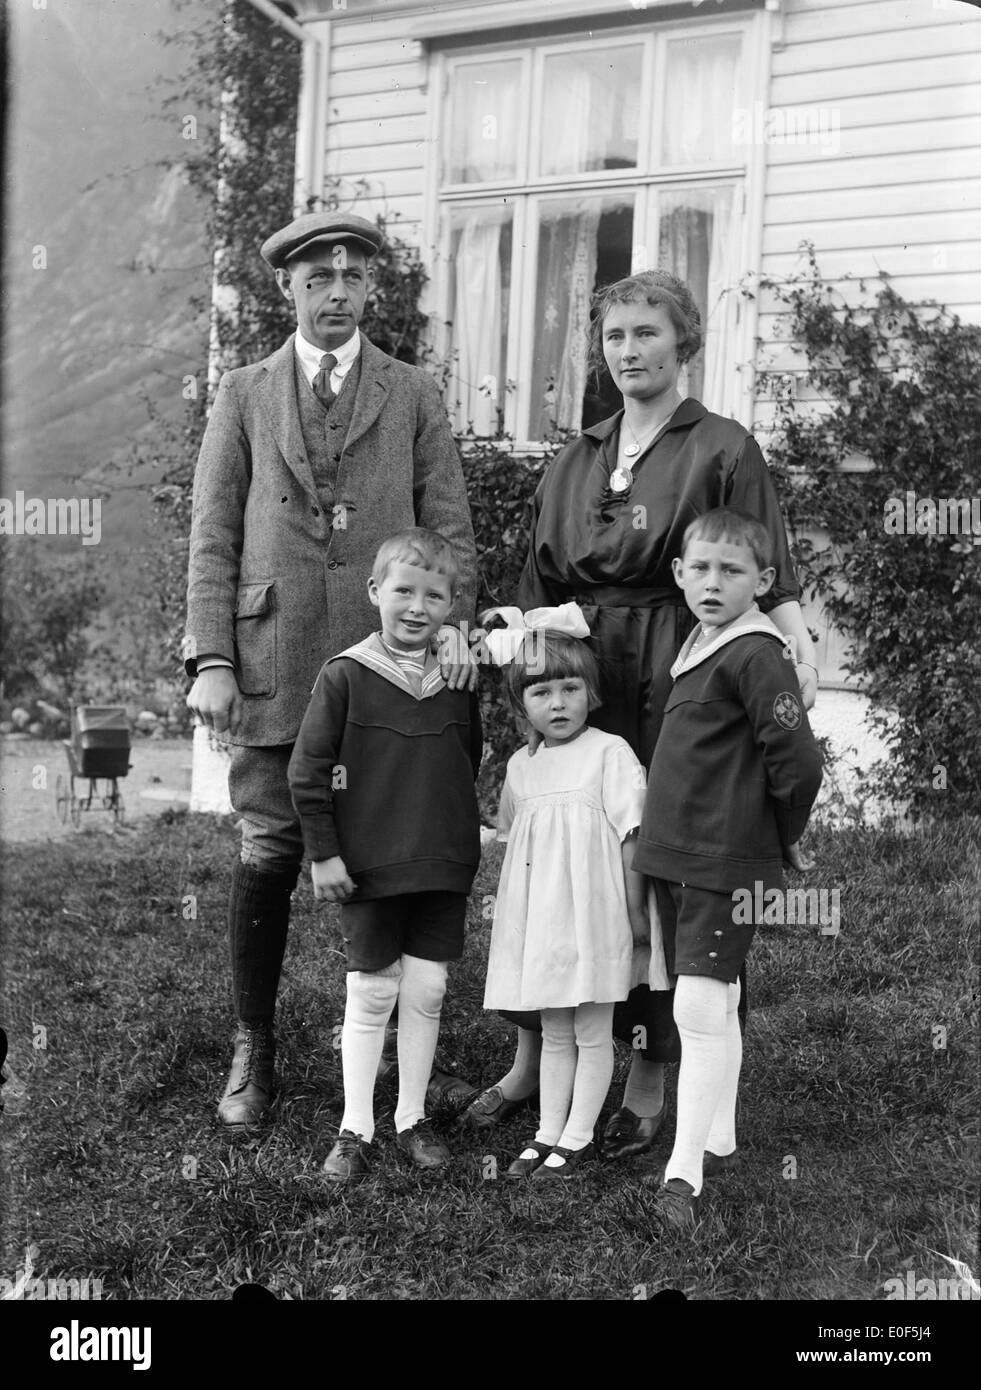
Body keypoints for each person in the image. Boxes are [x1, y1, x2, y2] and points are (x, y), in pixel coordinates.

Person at [460, 269, 818, 1157]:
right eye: (614, 336)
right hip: (583, 670)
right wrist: (529, 671)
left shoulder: (723, 447)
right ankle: (535, 1048)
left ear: (682, 343)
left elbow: (758, 565)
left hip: (677, 670)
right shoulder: (577, 454)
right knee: (566, 849)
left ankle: (653, 1064)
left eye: (646, 334)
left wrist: (794, 650)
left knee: (659, 858)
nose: (628, 352)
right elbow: (538, 590)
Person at [183, 211, 477, 1131]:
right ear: (288, 290)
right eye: (319, 280)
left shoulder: (412, 391)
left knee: (396, 857)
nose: (337, 293)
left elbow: (451, 531)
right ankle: (253, 1048)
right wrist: (213, 658)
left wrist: (455, 630)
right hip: (273, 659)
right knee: (269, 850)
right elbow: (214, 536)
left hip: (392, 671)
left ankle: (402, 1068)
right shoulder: (241, 393)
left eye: (352, 277)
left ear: (371, 289)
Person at [633, 506, 823, 1226]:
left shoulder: (755, 652)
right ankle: (719, 1135)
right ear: (680, 575)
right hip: (676, 854)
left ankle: (681, 1177)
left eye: (732, 571)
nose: (713, 583)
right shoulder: (696, 646)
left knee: (696, 1005)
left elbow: (797, 759)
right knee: (710, 996)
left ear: (762, 580)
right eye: (700, 569)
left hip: (723, 860)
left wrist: (783, 833)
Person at [287, 529, 482, 1179]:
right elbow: (307, 773)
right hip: (367, 866)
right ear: (375, 591)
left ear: (451, 605)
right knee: (371, 993)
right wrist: (324, 855)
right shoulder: (345, 675)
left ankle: (411, 1116)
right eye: (404, 589)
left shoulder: (458, 679)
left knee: (426, 990)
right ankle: (354, 1127)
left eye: (435, 595)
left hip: (439, 864)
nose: (417, 606)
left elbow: (465, 761)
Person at [481, 606, 665, 1177]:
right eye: (540, 691)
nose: (557, 703)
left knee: (591, 1029)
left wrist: (636, 913)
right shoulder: (520, 767)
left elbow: (633, 836)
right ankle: (545, 1133)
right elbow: (515, 839)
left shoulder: (609, 754)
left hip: (596, 915)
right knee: (556, 1029)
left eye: (570, 688)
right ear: (521, 705)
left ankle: (578, 1136)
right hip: (544, 923)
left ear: (592, 694)